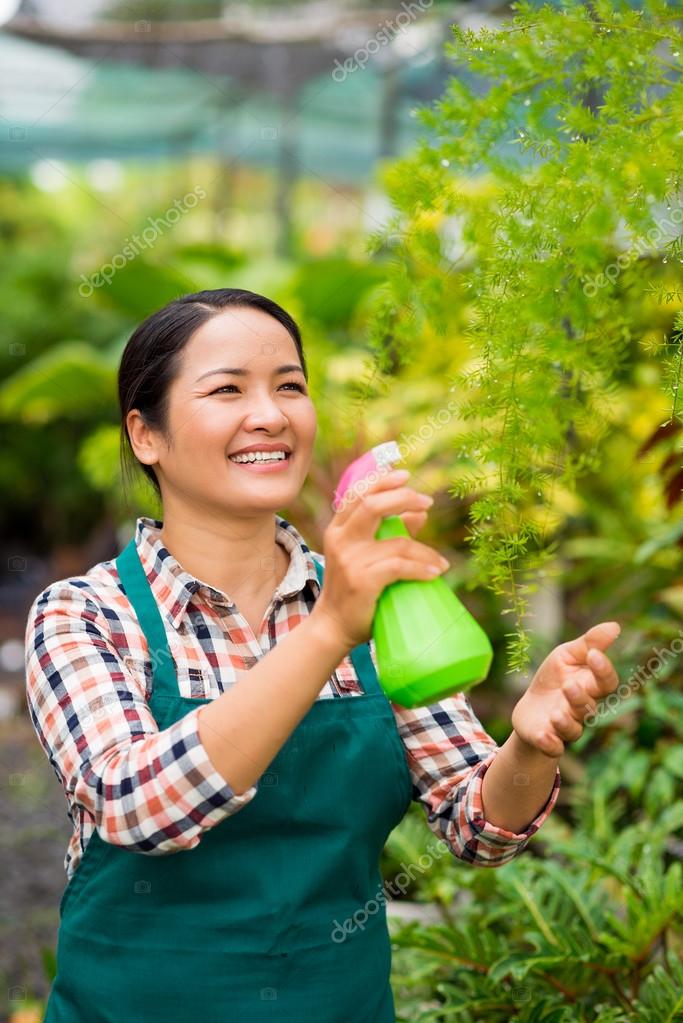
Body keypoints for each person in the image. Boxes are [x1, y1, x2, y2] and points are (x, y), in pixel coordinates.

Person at [25, 288, 620, 1022]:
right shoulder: (86, 615)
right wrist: (328, 630)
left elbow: (476, 826)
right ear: (145, 434)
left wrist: (529, 744)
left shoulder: (371, 598)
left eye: (289, 386)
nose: (270, 414)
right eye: (227, 389)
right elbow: (138, 809)